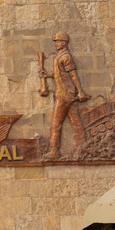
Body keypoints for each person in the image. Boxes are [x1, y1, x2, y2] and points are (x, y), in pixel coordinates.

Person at [42, 32, 90, 160]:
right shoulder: (60, 56)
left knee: (56, 123)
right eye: (56, 42)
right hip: (67, 93)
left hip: (65, 95)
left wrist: (81, 91)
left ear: (63, 42)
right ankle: (83, 146)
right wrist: (48, 75)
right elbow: (61, 74)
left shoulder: (66, 57)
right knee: (75, 120)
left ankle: (54, 151)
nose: (56, 44)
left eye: (58, 41)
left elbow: (73, 75)